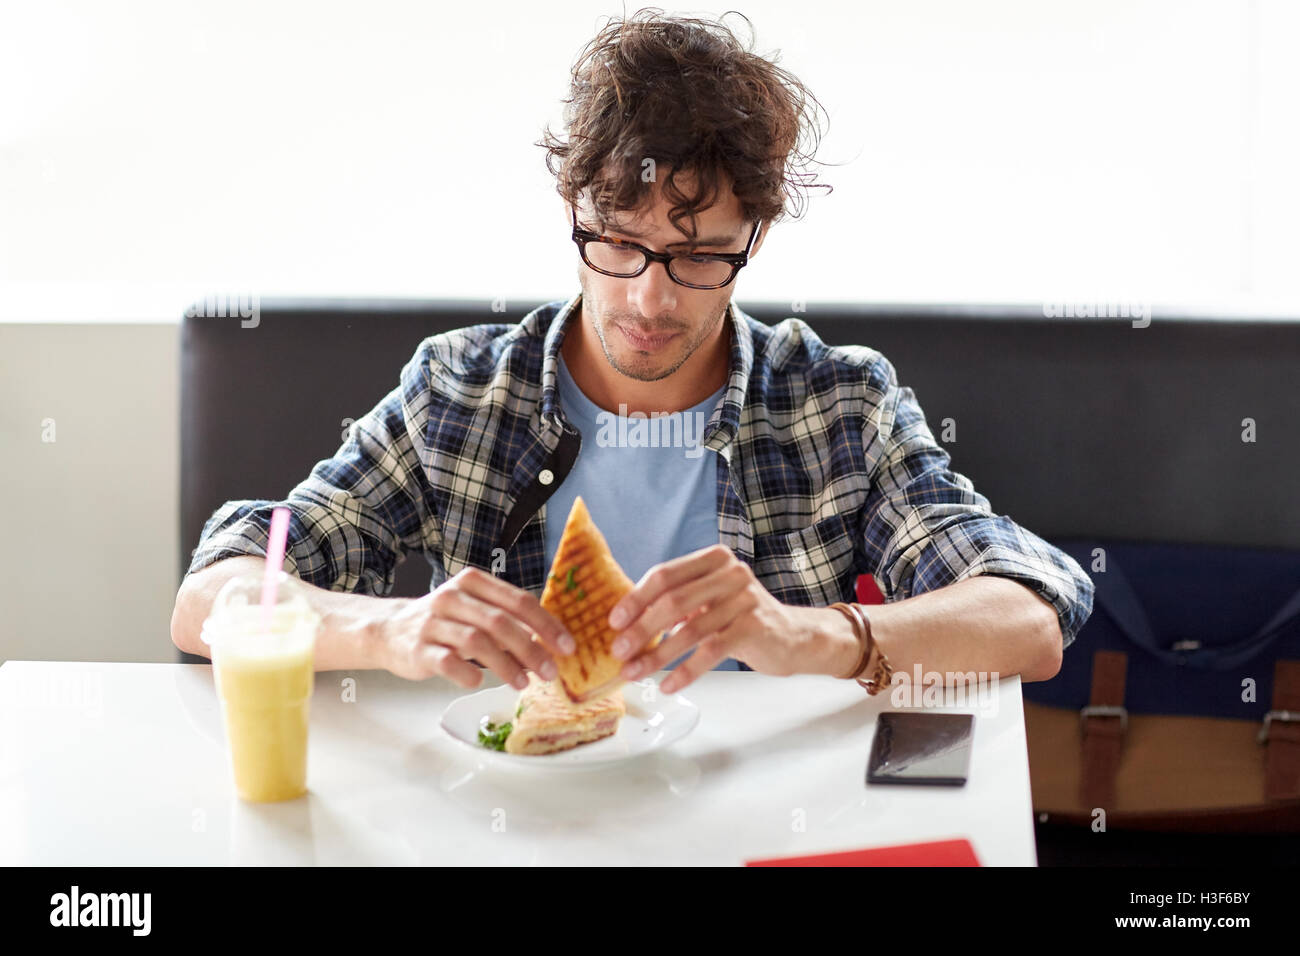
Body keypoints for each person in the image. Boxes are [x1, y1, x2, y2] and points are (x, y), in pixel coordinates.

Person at [172, 10, 1093, 696]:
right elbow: (212, 596)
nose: (649, 298)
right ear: (574, 211)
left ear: (753, 243)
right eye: (616, 241)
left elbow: (1026, 611)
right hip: (523, 812)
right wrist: (390, 631)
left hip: (767, 819)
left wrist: (809, 637)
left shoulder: (840, 402)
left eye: (698, 256)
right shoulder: (459, 390)